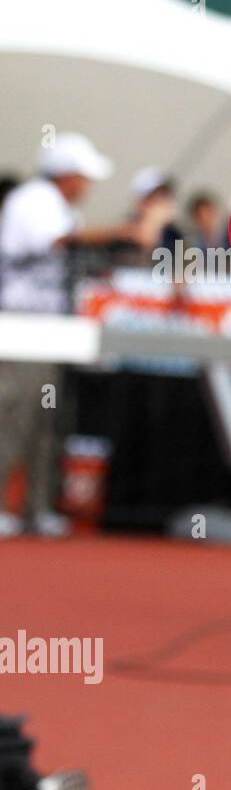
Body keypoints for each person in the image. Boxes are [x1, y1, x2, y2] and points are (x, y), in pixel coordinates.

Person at [0, 133, 157, 539]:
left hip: (54, 328)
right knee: (12, 416)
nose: (87, 187)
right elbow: (52, 242)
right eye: (84, 177)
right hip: (22, 326)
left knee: (46, 419)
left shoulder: (63, 210)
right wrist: (122, 231)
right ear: (68, 174)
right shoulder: (33, 200)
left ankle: (34, 509)